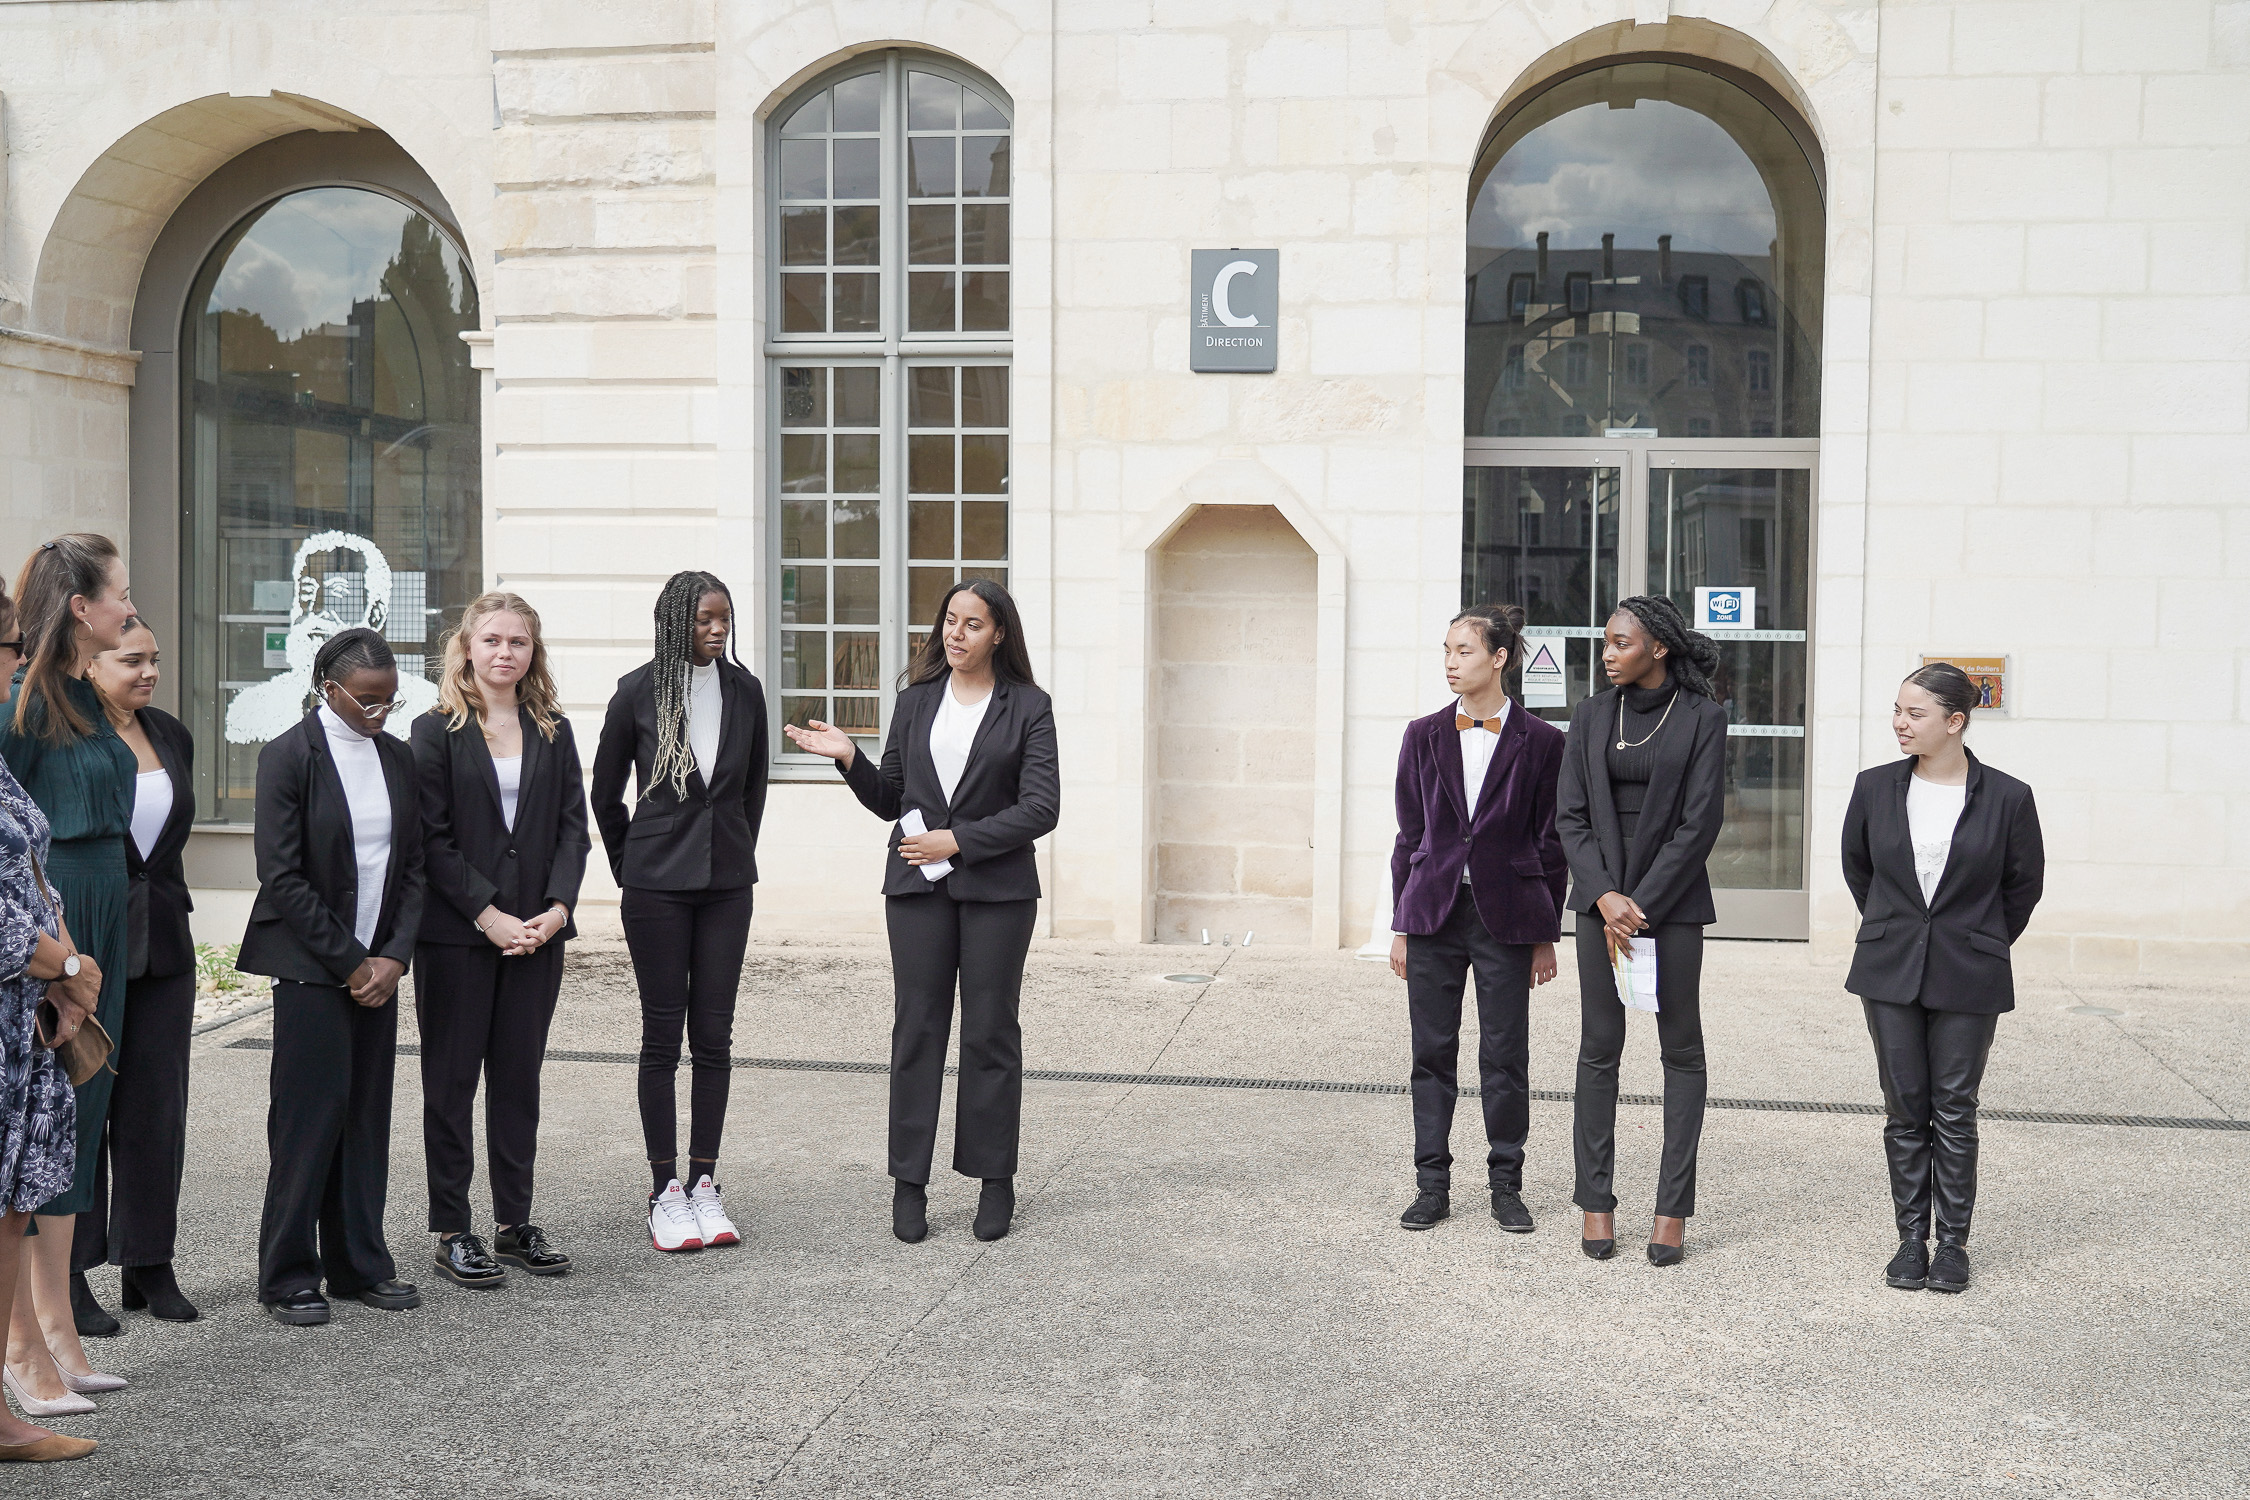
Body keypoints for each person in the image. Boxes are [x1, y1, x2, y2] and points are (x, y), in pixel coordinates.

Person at [784, 579, 1059, 1246]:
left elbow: (1041, 807)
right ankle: (909, 1183)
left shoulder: (1028, 706)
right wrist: (849, 758)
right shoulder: (915, 701)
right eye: (949, 620)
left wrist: (957, 840)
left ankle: (995, 1180)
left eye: (972, 624)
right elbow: (892, 797)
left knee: (991, 1032)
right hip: (917, 890)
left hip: (998, 894)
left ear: (999, 634)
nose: (955, 634)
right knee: (917, 1031)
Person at [240, 627, 425, 1326]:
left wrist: (394, 957)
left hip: (381, 967)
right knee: (307, 1121)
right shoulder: (289, 756)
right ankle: (288, 1272)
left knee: (365, 1119)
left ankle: (359, 1264)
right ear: (329, 689)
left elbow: (414, 867)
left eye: (389, 701)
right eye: (367, 700)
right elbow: (281, 876)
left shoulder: (398, 758)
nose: (380, 713)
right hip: (312, 969)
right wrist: (352, 962)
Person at [1841, 663, 2043, 1295]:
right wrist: (1896, 929)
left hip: (1969, 970)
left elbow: (2022, 886)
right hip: (1890, 966)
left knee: (1954, 1108)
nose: (1900, 723)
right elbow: (1859, 869)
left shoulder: (2008, 797)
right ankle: (1911, 1241)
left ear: (1955, 722)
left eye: (1915, 713)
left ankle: (1952, 1246)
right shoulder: (1874, 787)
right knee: (1905, 1108)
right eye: (1897, 710)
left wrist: (1979, 941)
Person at [411, 593, 588, 1287]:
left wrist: (558, 909)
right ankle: (453, 1228)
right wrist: (487, 915)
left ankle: (515, 1223)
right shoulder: (434, 731)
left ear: (533, 652)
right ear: (467, 647)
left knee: (518, 1081)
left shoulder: (553, 729)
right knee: (452, 1083)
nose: (505, 652)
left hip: (538, 935)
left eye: (518, 641)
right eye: (492, 640)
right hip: (458, 937)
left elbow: (573, 829)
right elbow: (431, 839)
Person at [591, 572, 768, 1254]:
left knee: (715, 1037)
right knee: (663, 1037)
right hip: (656, 888)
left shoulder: (745, 691)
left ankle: (704, 1182)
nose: (717, 630)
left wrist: (735, 850)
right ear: (673, 624)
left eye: (724, 618)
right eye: (703, 620)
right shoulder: (637, 693)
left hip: (728, 885)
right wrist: (631, 868)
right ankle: (664, 1189)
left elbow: (751, 791)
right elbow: (606, 795)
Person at [1555, 595, 1728, 1267]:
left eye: (1620, 643)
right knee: (1599, 1049)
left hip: (1672, 905)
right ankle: (1595, 1202)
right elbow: (1570, 817)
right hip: (1599, 902)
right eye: (1605, 642)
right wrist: (1604, 897)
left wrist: (1640, 904)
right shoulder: (1592, 714)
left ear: (1658, 647)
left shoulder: (1703, 717)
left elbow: (1700, 823)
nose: (1607, 653)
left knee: (1681, 1051)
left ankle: (1671, 1210)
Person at [1386, 604, 1566, 1234]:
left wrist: (1545, 934)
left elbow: (1550, 844)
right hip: (1433, 915)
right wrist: (1401, 924)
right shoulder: (1423, 735)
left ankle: (1506, 1185)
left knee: (1505, 1054)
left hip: (1507, 918)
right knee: (1431, 1053)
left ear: (1499, 658)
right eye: (1446, 651)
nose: (1450, 663)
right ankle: (1431, 1186)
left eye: (1463, 651)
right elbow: (1409, 836)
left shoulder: (1543, 741)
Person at [0, 536, 135, 1368]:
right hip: (57, 920)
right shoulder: (19, 706)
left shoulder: (85, 693)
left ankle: (58, 1327)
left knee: (82, 1116)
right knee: (39, 1128)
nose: (131, 607)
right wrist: (54, 955)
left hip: (103, 909)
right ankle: (27, 1338)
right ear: (81, 608)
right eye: (120, 592)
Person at [71, 621, 199, 1322]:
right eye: (132, 660)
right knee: (83, 1104)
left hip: (165, 947)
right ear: (90, 665)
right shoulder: (68, 740)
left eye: (154, 658)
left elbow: (162, 850)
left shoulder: (170, 734)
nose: (149, 671)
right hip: (89, 945)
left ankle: (148, 1262)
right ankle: (70, 1269)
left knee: (157, 1111)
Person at [0, 752, 100, 1462]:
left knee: (11, 1208)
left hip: (22, 1015)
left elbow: (30, 873)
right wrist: (65, 966)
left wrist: (68, 971)